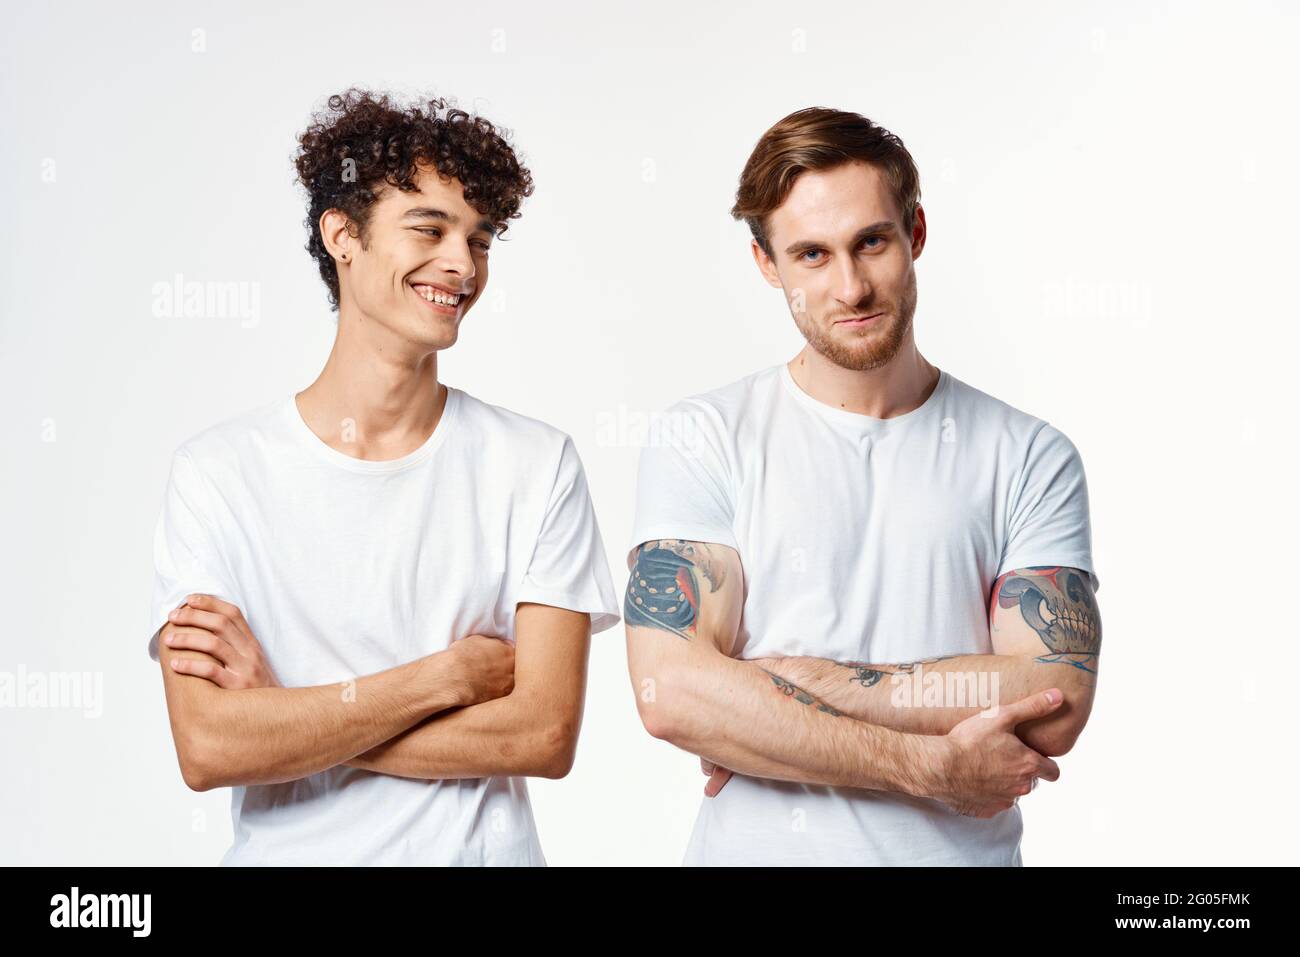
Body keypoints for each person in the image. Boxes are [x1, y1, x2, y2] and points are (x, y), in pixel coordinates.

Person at [148, 89, 620, 866]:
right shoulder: (217, 474)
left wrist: (282, 718)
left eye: (480, 238)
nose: (462, 265)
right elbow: (207, 745)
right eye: (429, 230)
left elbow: (541, 733)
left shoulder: (538, 464)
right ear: (343, 236)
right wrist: (445, 677)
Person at [625, 106, 1101, 866]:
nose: (850, 286)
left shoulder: (1028, 453)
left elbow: (1053, 698)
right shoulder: (704, 436)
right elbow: (672, 694)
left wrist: (785, 685)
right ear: (766, 265)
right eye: (811, 254)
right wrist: (928, 766)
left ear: (915, 232)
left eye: (870, 242)